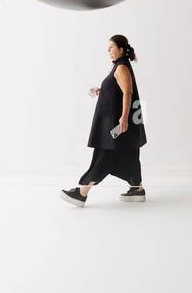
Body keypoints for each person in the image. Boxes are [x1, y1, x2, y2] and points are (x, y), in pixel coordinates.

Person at [61, 35, 147, 207]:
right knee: (128, 153)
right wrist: (102, 90)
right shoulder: (118, 66)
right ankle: (137, 188)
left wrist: (123, 118)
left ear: (121, 49)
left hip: (117, 123)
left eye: (111, 48)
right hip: (117, 123)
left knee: (104, 155)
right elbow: (118, 89)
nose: (109, 51)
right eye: (108, 49)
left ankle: (81, 193)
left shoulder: (121, 67)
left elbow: (127, 93)